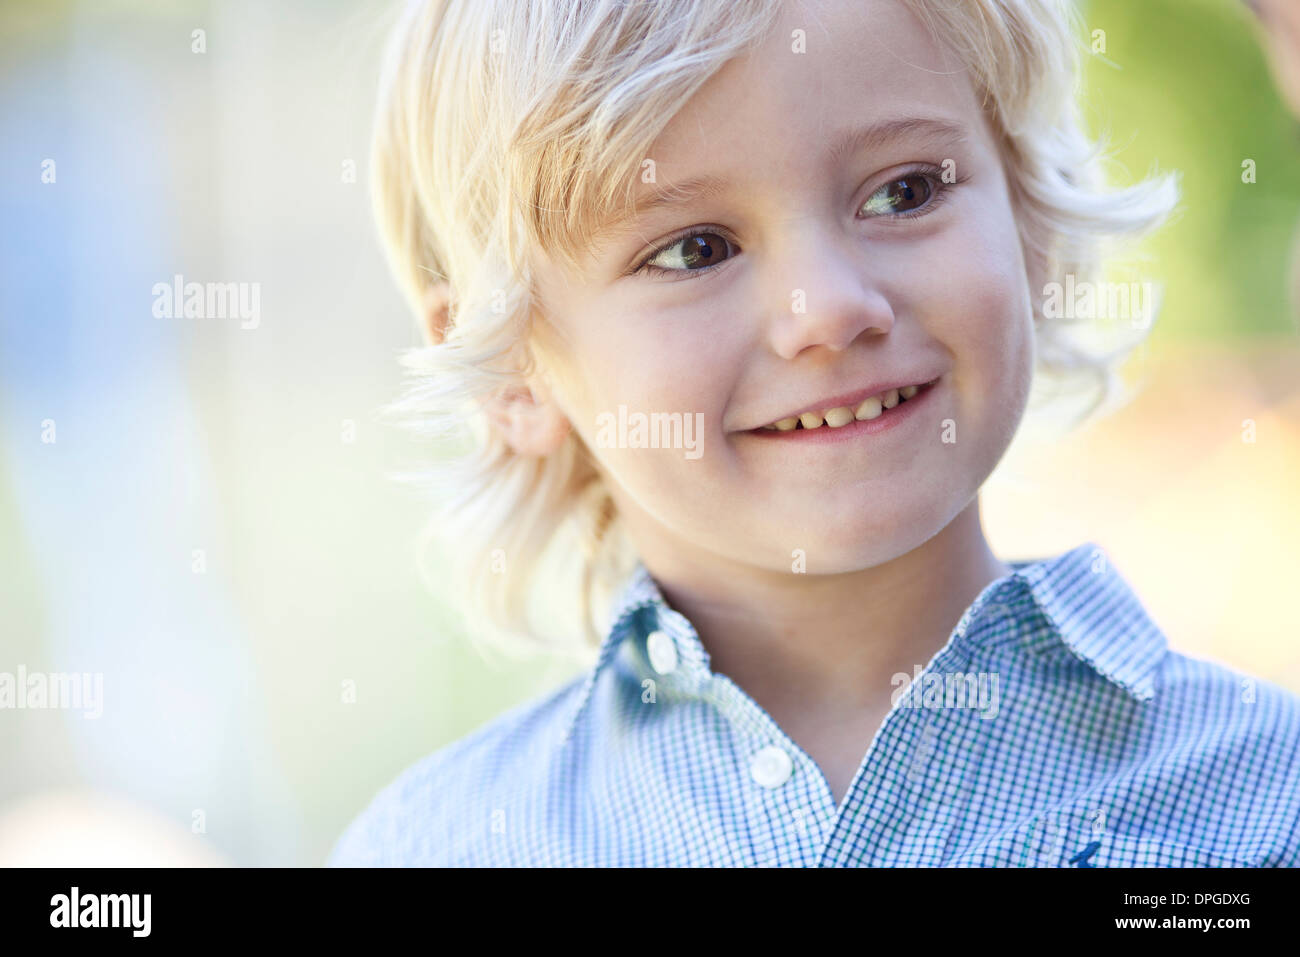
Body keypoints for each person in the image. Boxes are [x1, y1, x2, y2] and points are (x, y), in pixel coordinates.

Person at [329, 0, 1300, 866]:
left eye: (905, 191)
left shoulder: (1267, 799)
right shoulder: (433, 846)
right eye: (693, 250)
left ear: (1027, 218)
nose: (829, 310)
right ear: (511, 367)